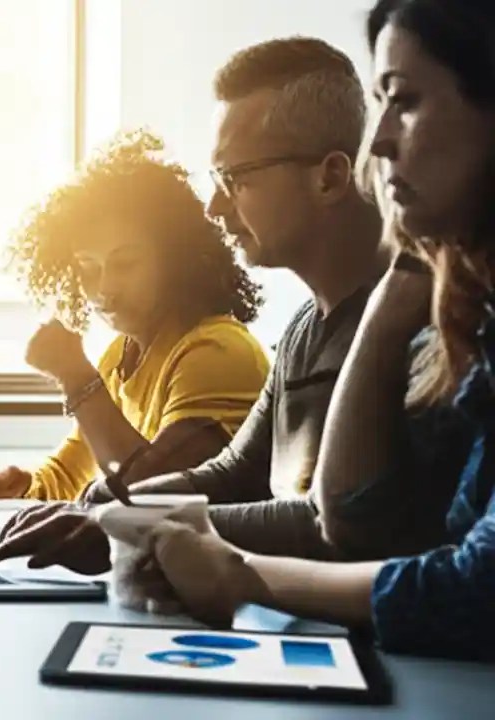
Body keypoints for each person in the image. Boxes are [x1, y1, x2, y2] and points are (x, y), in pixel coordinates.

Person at [0, 37, 421, 569]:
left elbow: (333, 522)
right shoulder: (305, 329)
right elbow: (235, 473)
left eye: (235, 178)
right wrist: (108, 503)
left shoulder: (419, 325)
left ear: (328, 175)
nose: (213, 206)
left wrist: (125, 524)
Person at [147, 0, 495, 660]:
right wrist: (122, 506)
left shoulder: (438, 337)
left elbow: (374, 543)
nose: (380, 142)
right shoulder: (313, 326)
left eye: (405, 101)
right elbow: (280, 488)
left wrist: (231, 571)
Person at [0, 129, 269, 503]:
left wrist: (76, 377)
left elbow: (152, 492)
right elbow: (70, 476)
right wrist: (13, 487)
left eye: (124, 264)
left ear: (175, 260)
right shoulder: (118, 356)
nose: (104, 287)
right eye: (88, 267)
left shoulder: (218, 351)